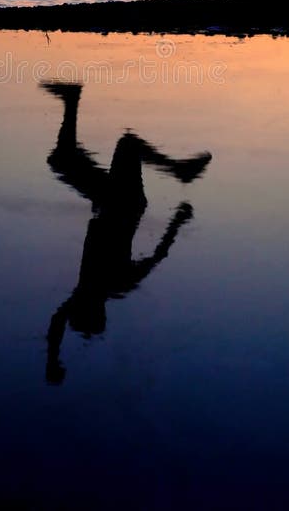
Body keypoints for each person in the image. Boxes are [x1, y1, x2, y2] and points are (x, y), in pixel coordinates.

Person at [41, 81, 212, 384]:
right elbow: (158, 254)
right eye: (80, 311)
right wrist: (178, 220)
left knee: (63, 159)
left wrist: (53, 358)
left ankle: (72, 99)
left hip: (108, 201)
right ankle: (178, 171)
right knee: (126, 144)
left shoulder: (88, 290)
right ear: (94, 310)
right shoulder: (114, 284)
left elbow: (58, 320)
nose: (74, 306)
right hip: (126, 203)